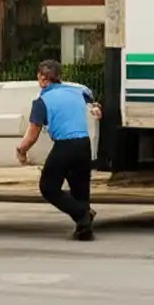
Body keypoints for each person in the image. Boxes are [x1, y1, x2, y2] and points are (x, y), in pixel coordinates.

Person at [15, 60, 100, 241]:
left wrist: (21, 150)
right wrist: (96, 107)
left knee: (48, 187)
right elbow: (93, 101)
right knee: (80, 188)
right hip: (84, 144)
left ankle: (83, 213)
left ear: (41, 77)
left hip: (64, 145)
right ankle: (84, 228)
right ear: (59, 76)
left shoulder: (41, 101)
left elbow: (32, 135)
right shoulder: (77, 91)